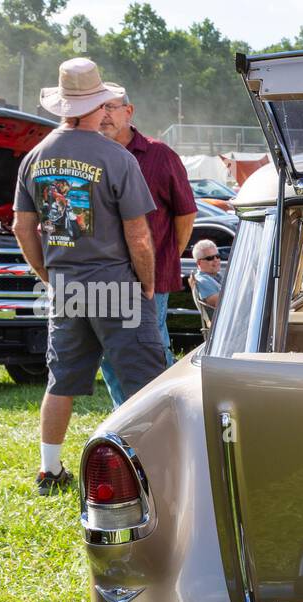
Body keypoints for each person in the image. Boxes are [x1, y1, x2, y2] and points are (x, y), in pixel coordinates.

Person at [12, 58, 166, 495]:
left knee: (61, 379)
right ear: (97, 106)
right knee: (145, 381)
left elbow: (23, 228)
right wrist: (149, 284)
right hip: (116, 285)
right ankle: (152, 468)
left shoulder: (34, 158)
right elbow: (138, 235)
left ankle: (49, 469)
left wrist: (48, 273)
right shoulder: (116, 157)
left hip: (66, 286)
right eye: (104, 104)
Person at [97, 90, 197, 406]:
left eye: (111, 108)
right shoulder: (92, 155)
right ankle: (125, 421)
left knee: (152, 350)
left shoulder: (159, 155)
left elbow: (186, 212)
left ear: (130, 110)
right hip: (103, 276)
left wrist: (166, 256)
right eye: (97, 109)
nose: (104, 115)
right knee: (110, 355)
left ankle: (169, 418)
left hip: (148, 281)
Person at [190, 238, 224, 322]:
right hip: (223, 327)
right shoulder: (202, 281)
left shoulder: (219, 276)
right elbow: (220, 303)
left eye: (217, 256)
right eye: (210, 258)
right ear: (199, 263)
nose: (216, 260)